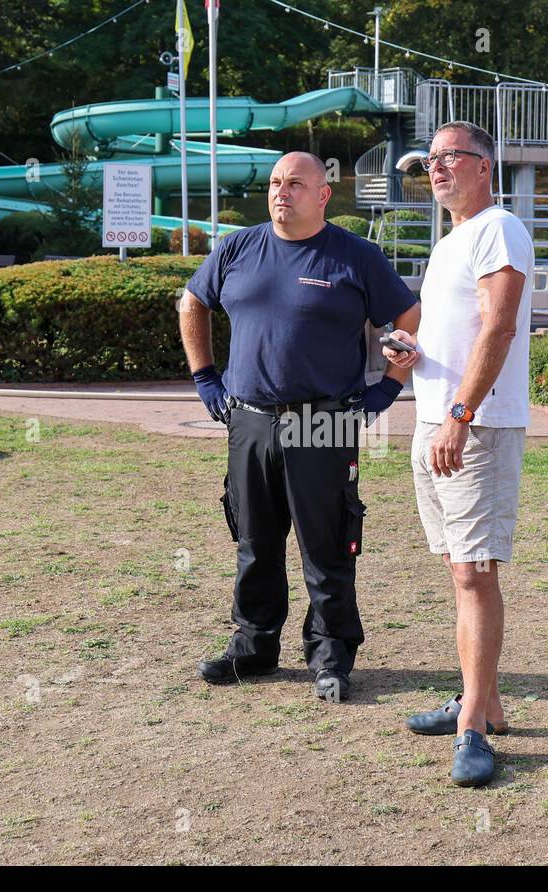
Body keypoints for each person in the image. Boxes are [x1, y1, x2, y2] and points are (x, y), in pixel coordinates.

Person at [179, 151, 421, 702]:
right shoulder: (238, 247)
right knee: (253, 540)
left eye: (294, 184)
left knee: (328, 544)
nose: (281, 192)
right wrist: (206, 381)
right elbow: (193, 302)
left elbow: (406, 317)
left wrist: (386, 388)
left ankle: (331, 656)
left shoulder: (356, 256)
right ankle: (254, 646)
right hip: (251, 419)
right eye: (274, 183)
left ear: (323, 194)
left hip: (326, 422)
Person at [384, 122, 533, 786]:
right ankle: (487, 703)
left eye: (451, 159)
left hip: (474, 429)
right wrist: (410, 354)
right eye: (430, 162)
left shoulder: (499, 228)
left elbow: (499, 326)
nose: (437, 169)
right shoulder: (449, 242)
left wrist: (460, 416)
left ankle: (471, 727)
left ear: (485, 168)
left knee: (475, 574)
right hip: (437, 426)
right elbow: (459, 329)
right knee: (459, 570)